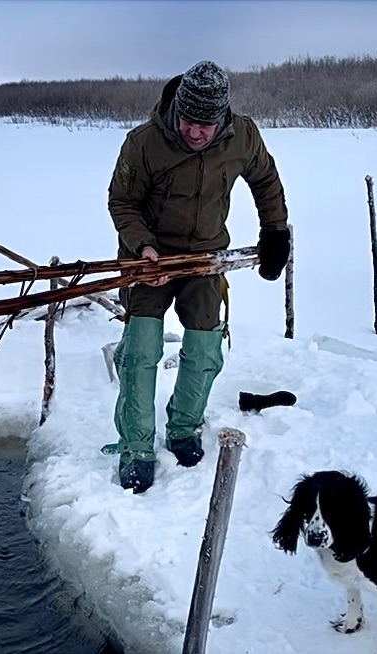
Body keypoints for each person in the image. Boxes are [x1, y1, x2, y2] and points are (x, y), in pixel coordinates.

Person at [105, 60, 291, 494]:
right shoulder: (144, 143)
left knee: (205, 349)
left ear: (221, 117)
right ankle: (136, 448)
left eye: (204, 125)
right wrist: (143, 246)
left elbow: (266, 180)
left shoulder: (243, 136)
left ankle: (184, 428)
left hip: (206, 257)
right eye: (187, 121)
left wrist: (275, 231)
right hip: (149, 260)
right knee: (141, 353)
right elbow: (122, 202)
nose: (193, 132)